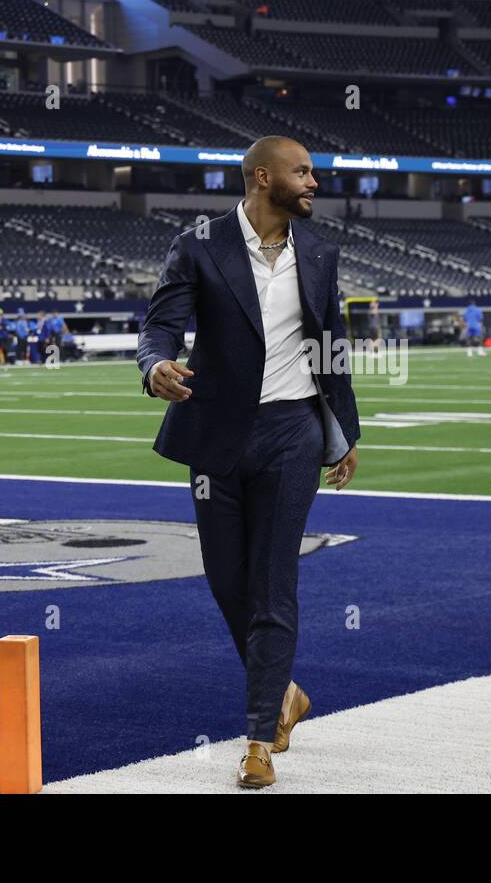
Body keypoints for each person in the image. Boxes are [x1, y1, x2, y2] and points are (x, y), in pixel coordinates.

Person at [137, 136, 361, 789]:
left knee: (272, 583)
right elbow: (161, 325)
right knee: (225, 580)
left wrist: (343, 432)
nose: (314, 182)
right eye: (303, 172)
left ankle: (259, 740)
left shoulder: (320, 252)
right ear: (264, 179)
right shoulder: (200, 244)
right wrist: (155, 366)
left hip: (293, 434)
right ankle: (286, 692)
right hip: (216, 435)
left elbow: (331, 344)